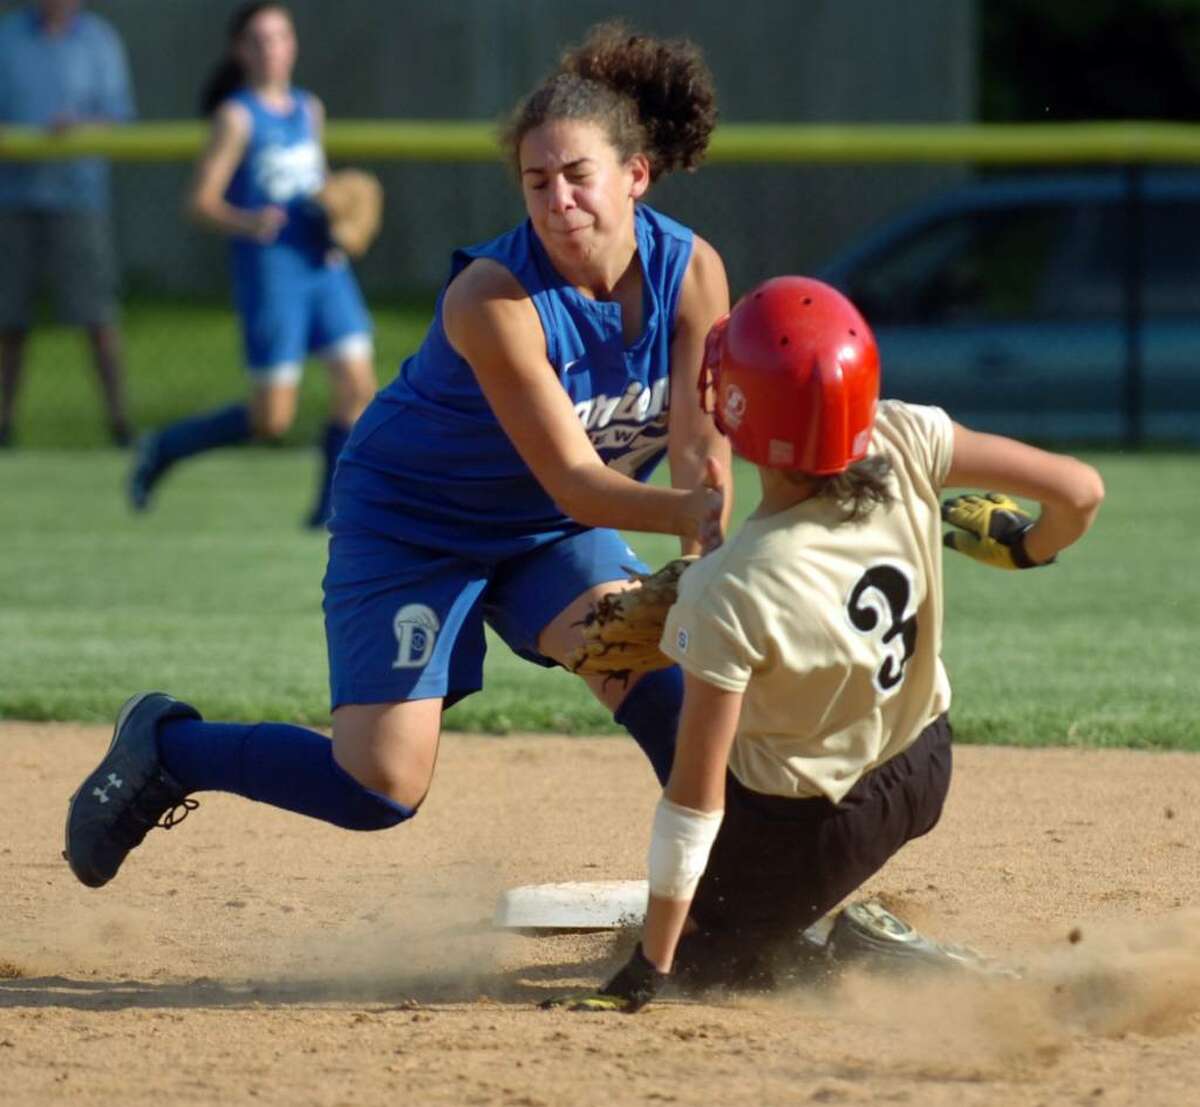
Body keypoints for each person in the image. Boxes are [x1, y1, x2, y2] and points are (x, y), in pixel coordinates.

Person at [63, 22, 731, 890]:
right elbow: (576, 476)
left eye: (579, 175)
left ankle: (727, 897)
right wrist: (692, 523)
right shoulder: (494, 297)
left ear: (636, 175)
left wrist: (701, 577)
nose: (559, 199)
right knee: (379, 784)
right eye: (538, 181)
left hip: (548, 533)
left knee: (668, 688)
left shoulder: (692, 273)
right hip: (417, 520)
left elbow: (698, 453)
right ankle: (170, 749)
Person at [551, 276, 1105, 1011]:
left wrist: (651, 964)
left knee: (707, 961)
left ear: (739, 413)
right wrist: (1029, 546)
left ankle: (862, 948)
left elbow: (695, 796)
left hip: (817, 826)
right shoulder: (905, 433)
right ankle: (797, 915)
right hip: (924, 762)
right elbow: (1081, 489)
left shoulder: (731, 586)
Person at [127, 1, 377, 528]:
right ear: (241, 51)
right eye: (259, 40)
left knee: (357, 386)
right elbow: (199, 201)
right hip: (272, 271)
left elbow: (318, 183)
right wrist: (248, 222)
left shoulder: (309, 108)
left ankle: (327, 513)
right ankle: (164, 447)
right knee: (272, 418)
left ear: (293, 45)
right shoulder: (237, 117)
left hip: (320, 262)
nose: (272, 49)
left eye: (280, 37)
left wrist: (336, 218)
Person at [0, 0, 135, 448]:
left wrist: (79, 128)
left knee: (97, 315)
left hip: (78, 197)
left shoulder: (99, 40)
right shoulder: (8, 37)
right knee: (9, 319)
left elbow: (119, 117)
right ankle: (4, 424)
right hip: (13, 196)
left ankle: (119, 423)